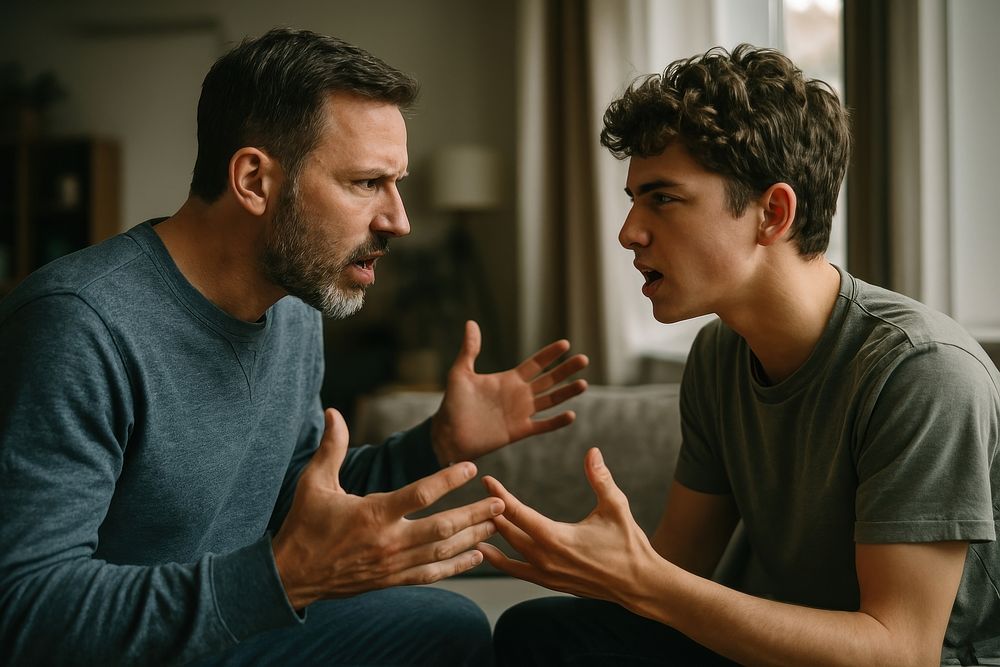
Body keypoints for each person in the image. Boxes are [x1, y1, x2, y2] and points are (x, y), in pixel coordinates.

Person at [0, 28, 589, 666]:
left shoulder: (293, 307)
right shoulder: (79, 325)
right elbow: (26, 611)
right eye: (367, 183)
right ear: (254, 180)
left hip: (229, 627)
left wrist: (436, 444)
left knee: (451, 627)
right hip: (128, 649)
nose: (399, 220)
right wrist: (284, 579)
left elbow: (294, 497)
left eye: (397, 184)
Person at [482, 44, 999, 666]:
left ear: (772, 213)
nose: (628, 232)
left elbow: (900, 651)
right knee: (540, 634)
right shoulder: (719, 353)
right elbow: (680, 567)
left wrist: (643, 580)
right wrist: (596, 566)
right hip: (772, 647)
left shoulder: (922, 371)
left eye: (663, 198)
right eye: (632, 199)